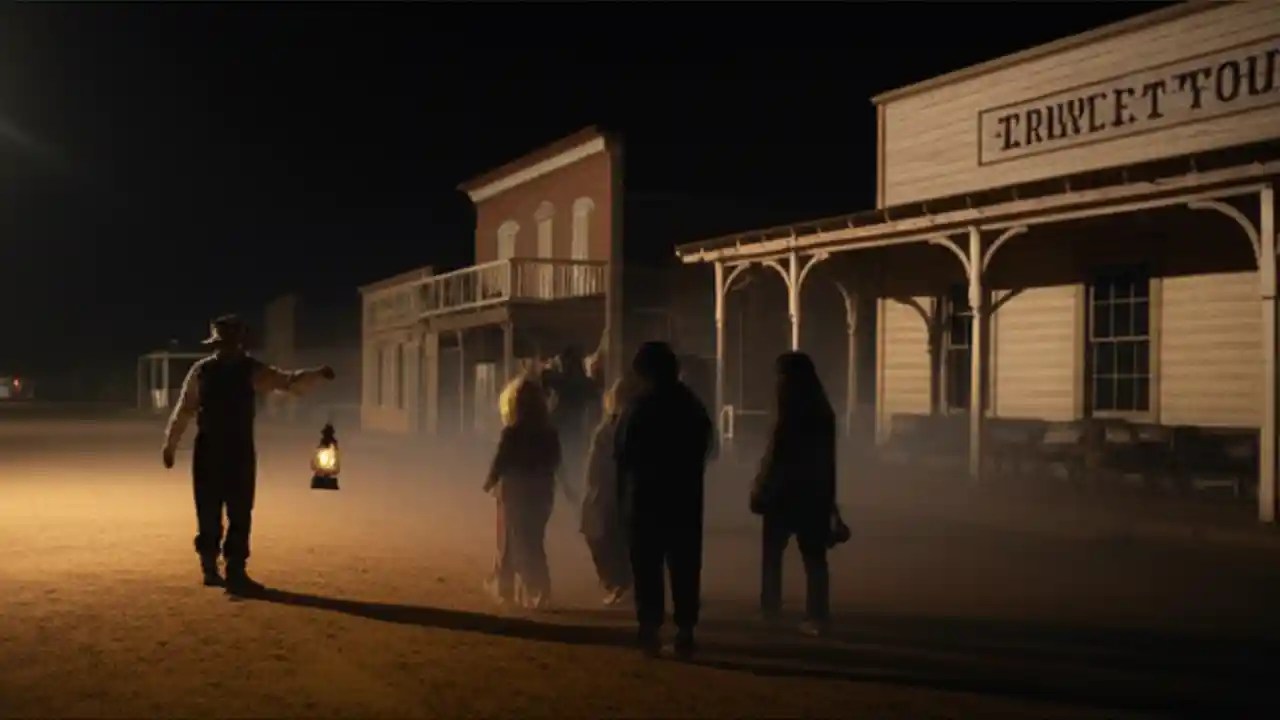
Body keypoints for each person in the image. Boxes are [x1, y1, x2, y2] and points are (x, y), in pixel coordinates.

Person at [162, 314, 335, 595]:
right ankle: (209, 566)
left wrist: (316, 374)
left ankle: (235, 569)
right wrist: (170, 444)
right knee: (208, 509)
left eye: (232, 341)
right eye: (224, 342)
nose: (228, 347)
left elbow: (288, 382)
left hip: (239, 449)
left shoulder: (250, 370)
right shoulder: (201, 371)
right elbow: (185, 409)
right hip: (208, 448)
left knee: (240, 511)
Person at [614, 341, 714, 659]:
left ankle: (650, 628)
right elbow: (707, 448)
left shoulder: (638, 406)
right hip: (684, 496)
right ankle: (685, 629)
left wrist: (621, 499)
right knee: (684, 565)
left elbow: (622, 454)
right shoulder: (692, 405)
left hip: (645, 498)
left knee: (646, 566)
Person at [750, 352, 836, 637]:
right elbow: (827, 462)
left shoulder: (787, 414)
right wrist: (830, 500)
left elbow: (776, 456)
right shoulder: (823, 412)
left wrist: (762, 486)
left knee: (773, 555)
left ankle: (771, 609)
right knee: (814, 558)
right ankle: (817, 614)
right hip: (813, 494)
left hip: (783, 495)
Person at [483, 374, 562, 610]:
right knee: (533, 538)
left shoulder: (512, 432)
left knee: (511, 539)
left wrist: (490, 481)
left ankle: (514, 587)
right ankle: (539, 587)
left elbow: (502, 459)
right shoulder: (550, 432)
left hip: (515, 490)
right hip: (542, 491)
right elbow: (555, 461)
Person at [581, 374, 639, 607]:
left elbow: (597, 464)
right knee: (610, 538)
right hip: (616, 492)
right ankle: (621, 584)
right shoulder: (614, 426)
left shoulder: (611, 428)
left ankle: (620, 583)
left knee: (604, 538)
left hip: (610, 493)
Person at [542, 345, 599, 497]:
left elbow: (545, 377)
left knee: (562, 462)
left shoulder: (565, 380)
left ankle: (568, 492)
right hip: (574, 427)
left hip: (563, 426)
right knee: (572, 461)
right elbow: (594, 390)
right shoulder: (582, 382)